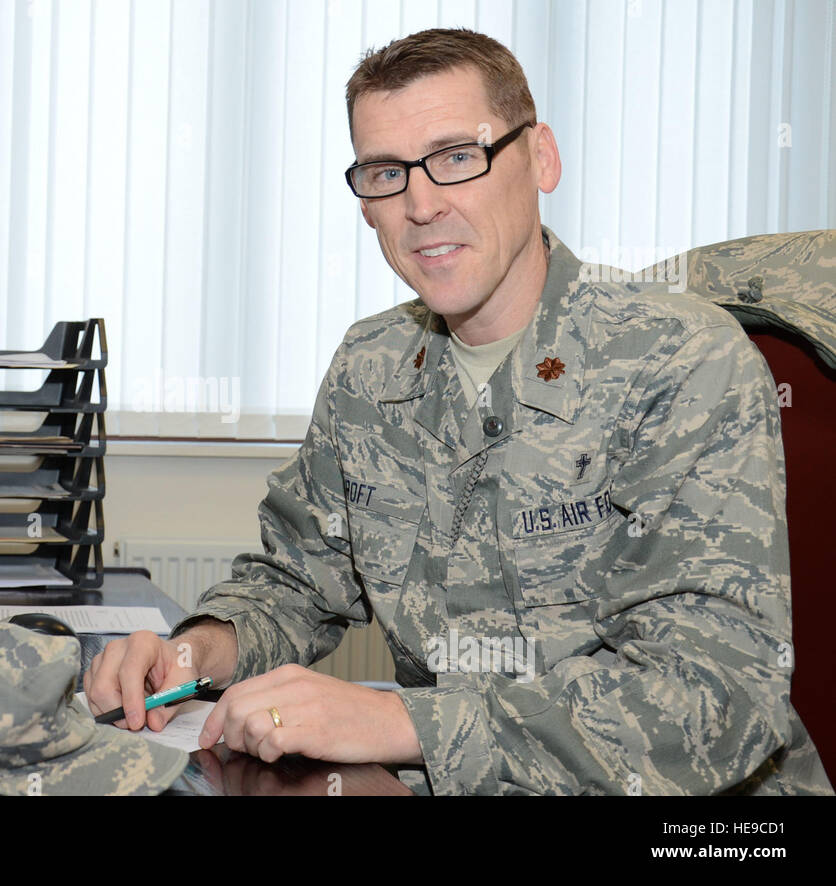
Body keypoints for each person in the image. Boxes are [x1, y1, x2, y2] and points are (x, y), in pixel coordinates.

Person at [84, 28, 833, 794]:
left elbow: (717, 704)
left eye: (455, 157)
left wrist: (403, 725)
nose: (420, 205)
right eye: (385, 172)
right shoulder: (369, 367)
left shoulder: (681, 360)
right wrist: (193, 652)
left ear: (540, 158)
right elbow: (299, 582)